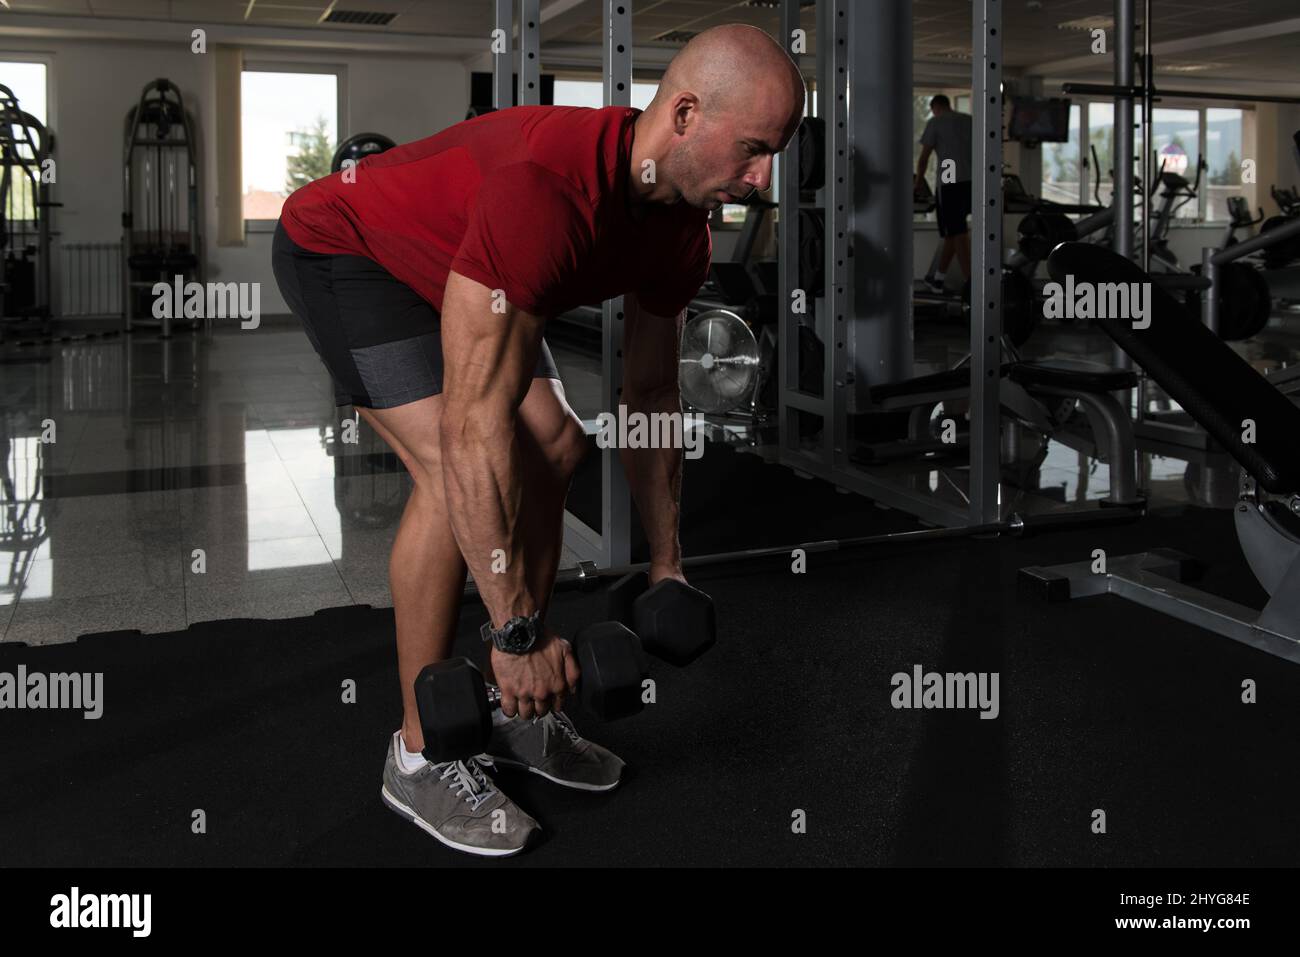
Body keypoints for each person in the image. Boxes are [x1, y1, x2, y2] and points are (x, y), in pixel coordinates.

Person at [272, 23, 805, 857]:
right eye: (752, 150)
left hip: (465, 263)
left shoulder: (683, 231)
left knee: (556, 448)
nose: (762, 177)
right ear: (687, 114)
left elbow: (652, 392)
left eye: (773, 154)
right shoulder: (545, 193)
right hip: (351, 250)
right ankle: (419, 750)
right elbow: (470, 427)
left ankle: (518, 714)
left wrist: (667, 563)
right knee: (458, 483)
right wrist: (514, 629)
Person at [915, 94, 973, 291]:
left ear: (935, 108)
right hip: (973, 181)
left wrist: (917, 183)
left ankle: (971, 282)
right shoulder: (969, 121)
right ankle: (937, 278)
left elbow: (924, 158)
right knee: (952, 233)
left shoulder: (936, 122)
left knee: (957, 232)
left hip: (950, 180)